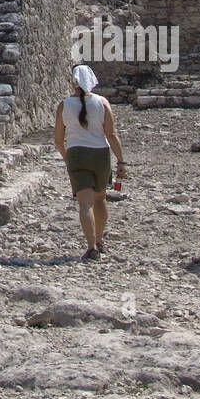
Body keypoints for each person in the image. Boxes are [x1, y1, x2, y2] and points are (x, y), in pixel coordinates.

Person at [54, 63, 127, 260]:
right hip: (100, 154)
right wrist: (121, 161)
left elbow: (59, 139)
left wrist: (66, 157)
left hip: (76, 154)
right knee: (100, 199)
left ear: (74, 81)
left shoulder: (64, 104)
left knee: (84, 204)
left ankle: (91, 246)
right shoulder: (102, 102)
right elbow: (111, 134)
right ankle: (100, 239)